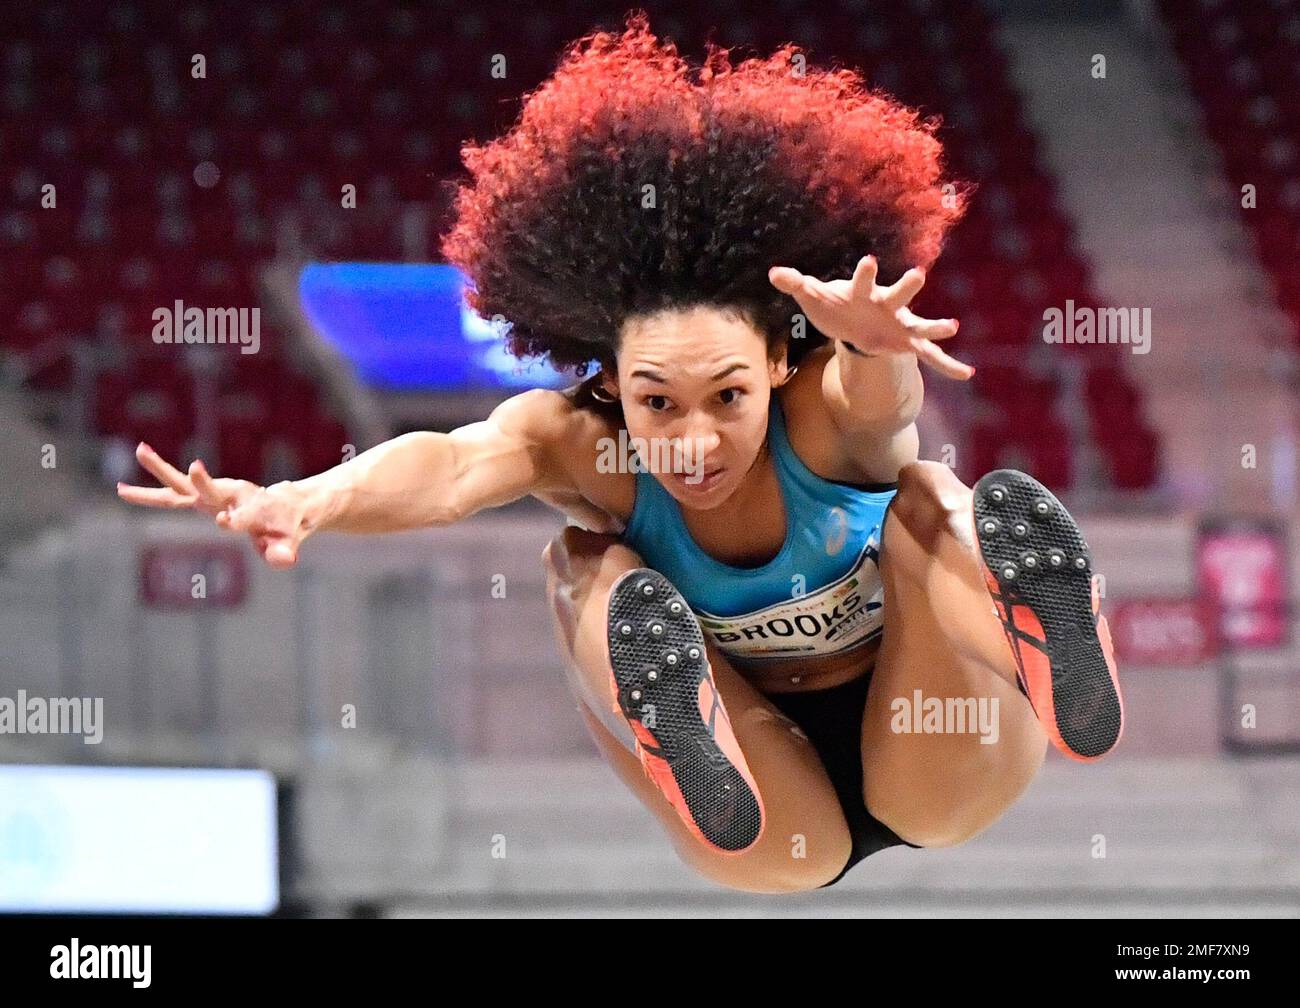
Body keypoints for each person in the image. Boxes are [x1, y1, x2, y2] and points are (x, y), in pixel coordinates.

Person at [118, 15, 1123, 893]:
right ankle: (672, 712)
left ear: (779, 360)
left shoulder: (824, 412)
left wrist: (866, 340)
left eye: (726, 398)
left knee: (925, 499)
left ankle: (1039, 640)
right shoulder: (577, 439)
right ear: (609, 382)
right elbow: (454, 467)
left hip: (933, 745)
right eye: (656, 402)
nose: (690, 443)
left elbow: (879, 400)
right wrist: (312, 500)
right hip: (764, 804)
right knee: (584, 559)